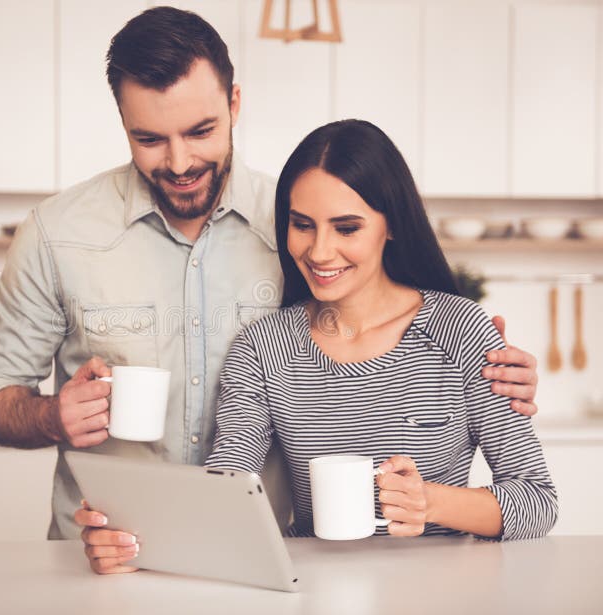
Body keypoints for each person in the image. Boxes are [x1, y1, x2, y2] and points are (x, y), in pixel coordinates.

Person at [0, 7, 540, 572]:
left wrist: (481, 361)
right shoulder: (58, 233)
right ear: (121, 122)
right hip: (124, 551)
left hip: (297, 566)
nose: (180, 161)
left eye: (201, 130)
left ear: (235, 104)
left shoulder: (293, 210)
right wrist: (51, 417)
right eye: (150, 139)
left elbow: (530, 490)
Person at [205, 119, 557, 540]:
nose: (318, 251)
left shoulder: (460, 331)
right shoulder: (262, 348)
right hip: (315, 596)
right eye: (302, 224)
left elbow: (539, 502)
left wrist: (428, 501)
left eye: (347, 228)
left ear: (390, 224)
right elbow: (226, 489)